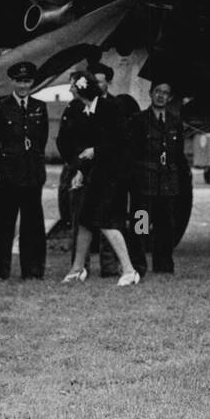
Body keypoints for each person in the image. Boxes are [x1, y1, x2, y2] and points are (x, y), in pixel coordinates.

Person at [59, 71, 139, 286]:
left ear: (82, 88)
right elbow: (87, 147)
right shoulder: (85, 111)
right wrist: (81, 172)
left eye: (73, 87)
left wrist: (96, 151)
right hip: (97, 173)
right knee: (85, 220)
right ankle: (77, 269)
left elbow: (123, 142)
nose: (70, 90)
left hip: (114, 174)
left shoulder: (110, 108)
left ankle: (130, 270)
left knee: (104, 220)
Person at [0, 61, 49, 280]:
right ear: (12, 82)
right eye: (19, 81)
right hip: (8, 175)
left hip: (32, 174)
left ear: (32, 82)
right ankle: (0, 272)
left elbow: (40, 141)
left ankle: (32, 271)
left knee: (32, 225)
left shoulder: (39, 107)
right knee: (3, 224)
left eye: (27, 81)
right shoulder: (0, 107)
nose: (23, 85)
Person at [126, 79, 187, 276]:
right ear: (151, 94)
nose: (161, 95)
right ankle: (138, 265)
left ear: (170, 98)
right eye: (157, 91)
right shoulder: (138, 120)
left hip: (167, 184)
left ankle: (164, 267)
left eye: (165, 93)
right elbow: (132, 153)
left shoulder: (175, 122)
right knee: (140, 227)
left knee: (165, 227)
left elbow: (178, 155)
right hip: (144, 183)